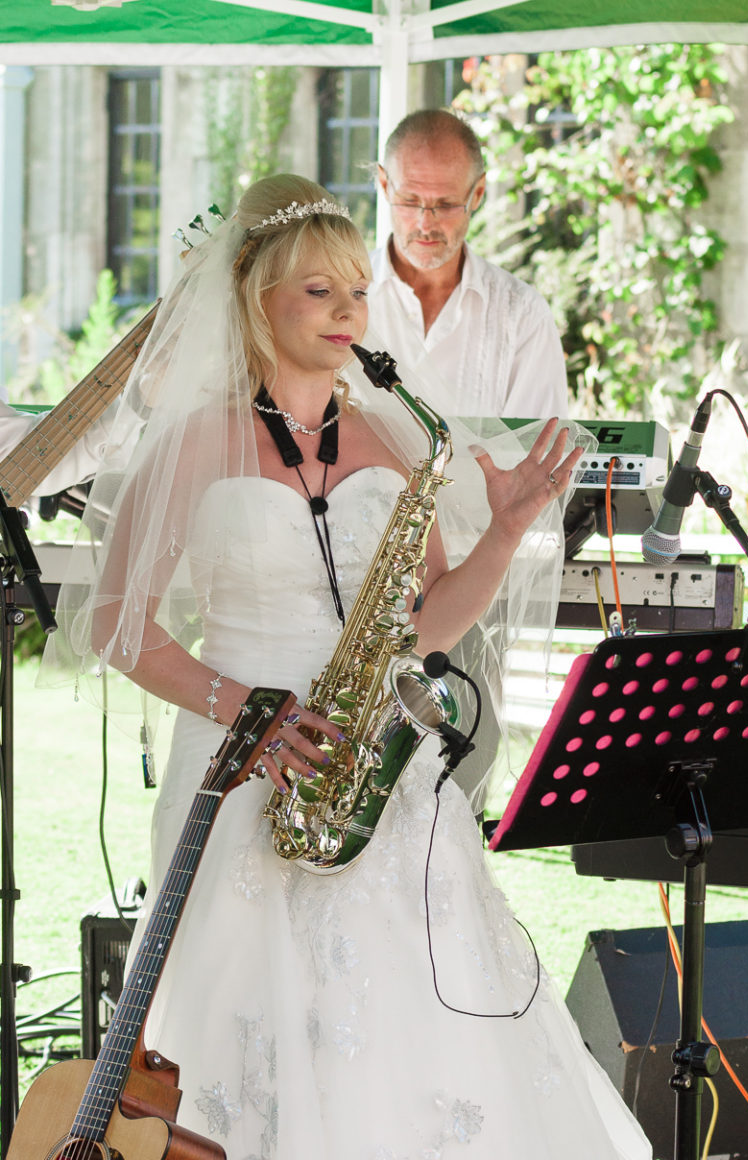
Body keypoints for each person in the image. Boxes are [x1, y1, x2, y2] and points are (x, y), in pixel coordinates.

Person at [43, 175, 649, 1159]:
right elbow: (118, 625)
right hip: (241, 765)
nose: (346, 312)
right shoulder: (195, 442)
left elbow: (423, 626)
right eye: (317, 291)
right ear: (258, 299)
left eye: (357, 291)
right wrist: (254, 715)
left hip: (377, 763)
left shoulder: (394, 434)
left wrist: (502, 533)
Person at [369, 108, 568, 420]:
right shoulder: (340, 299)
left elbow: (536, 459)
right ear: (384, 185)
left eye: (445, 205)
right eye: (409, 201)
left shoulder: (523, 316)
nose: (425, 223)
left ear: (477, 194)